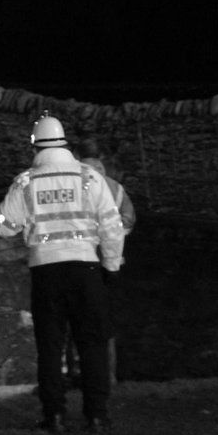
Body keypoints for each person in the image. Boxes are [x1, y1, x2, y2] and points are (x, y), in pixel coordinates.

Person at [0, 114, 125, 434]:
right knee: (92, 344)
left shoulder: (26, 182)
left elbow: (4, 228)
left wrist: (21, 220)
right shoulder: (89, 178)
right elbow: (112, 227)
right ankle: (96, 415)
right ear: (65, 142)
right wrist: (110, 266)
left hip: (46, 273)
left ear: (35, 145)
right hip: (86, 270)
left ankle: (54, 416)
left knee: (50, 347)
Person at [78, 154, 135, 386]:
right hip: (109, 264)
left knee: (85, 320)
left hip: (85, 262)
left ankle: (88, 373)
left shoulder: (78, 188)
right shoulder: (116, 189)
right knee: (105, 323)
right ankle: (107, 375)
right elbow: (129, 220)